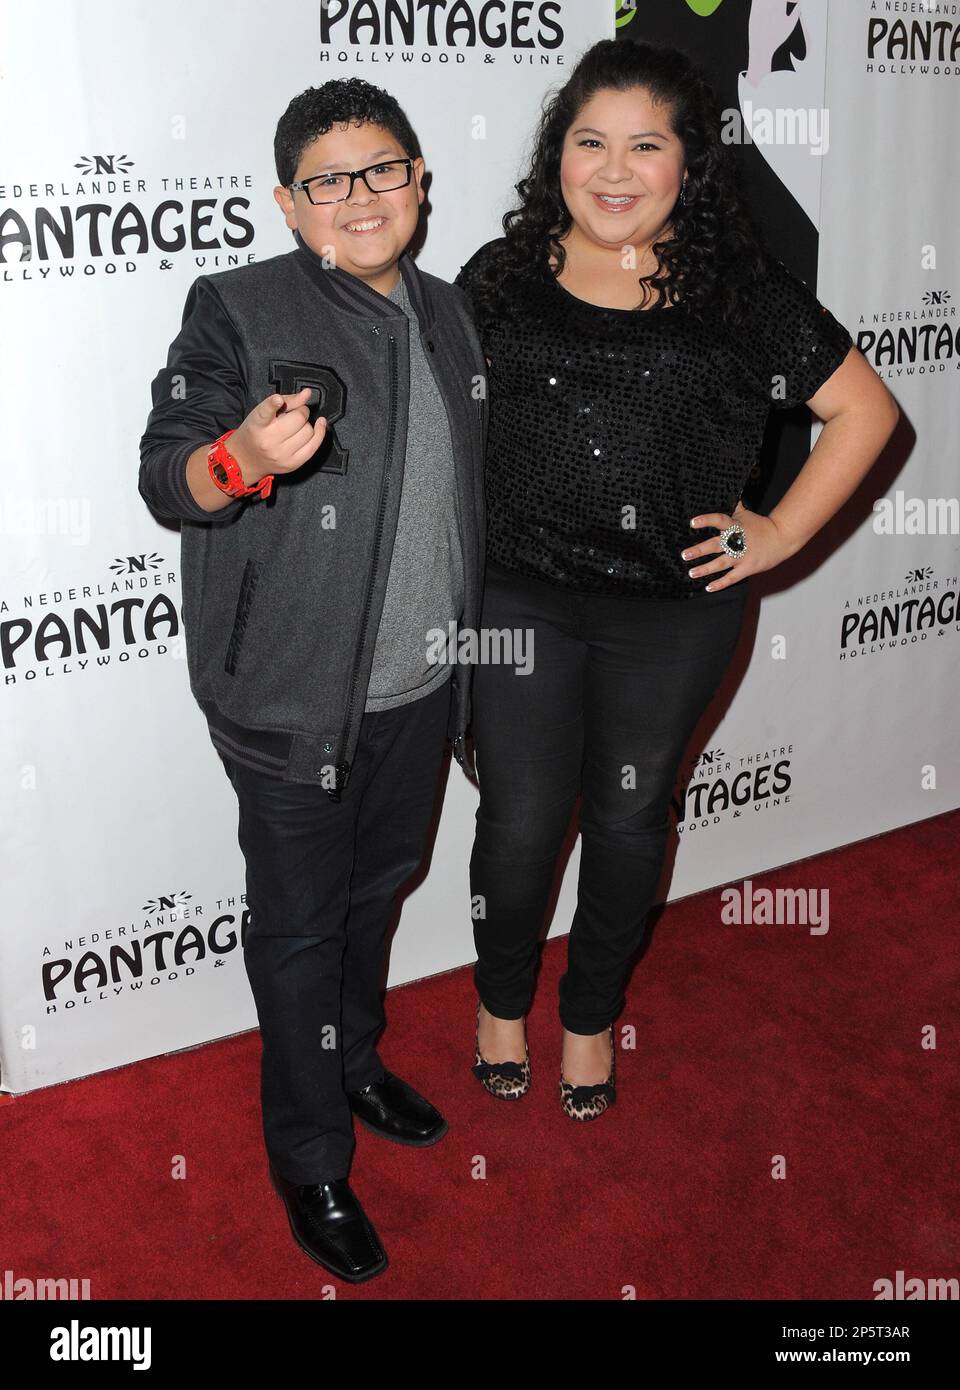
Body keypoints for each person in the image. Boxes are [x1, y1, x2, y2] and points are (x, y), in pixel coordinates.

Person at [454, 39, 898, 1122]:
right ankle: (502, 1003)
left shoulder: (738, 290)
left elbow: (867, 412)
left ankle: (592, 1014)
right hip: (519, 599)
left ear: (687, 163)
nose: (613, 168)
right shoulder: (501, 278)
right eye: (589, 141)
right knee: (517, 820)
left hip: (673, 612)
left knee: (625, 817)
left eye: (645, 146)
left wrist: (781, 531)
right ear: (556, 153)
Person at [139, 78, 487, 1280]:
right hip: (289, 702)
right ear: (290, 203)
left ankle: (354, 1060)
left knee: (379, 890)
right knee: (297, 932)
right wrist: (236, 458)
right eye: (328, 179)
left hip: (420, 690)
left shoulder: (451, 316)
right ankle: (311, 1158)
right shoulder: (236, 307)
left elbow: (463, 510)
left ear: (422, 181)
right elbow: (166, 468)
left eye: (382, 169)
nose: (360, 197)